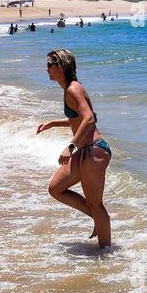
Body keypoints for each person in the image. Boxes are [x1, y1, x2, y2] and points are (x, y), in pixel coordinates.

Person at [36, 49, 112, 248]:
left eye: (49, 65)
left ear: (60, 66)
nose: (47, 70)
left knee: (96, 204)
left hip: (94, 150)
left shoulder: (73, 89)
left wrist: (70, 146)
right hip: (87, 150)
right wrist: (53, 123)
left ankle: (106, 254)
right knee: (56, 188)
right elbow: (80, 118)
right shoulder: (70, 88)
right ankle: (98, 218)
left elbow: (89, 118)